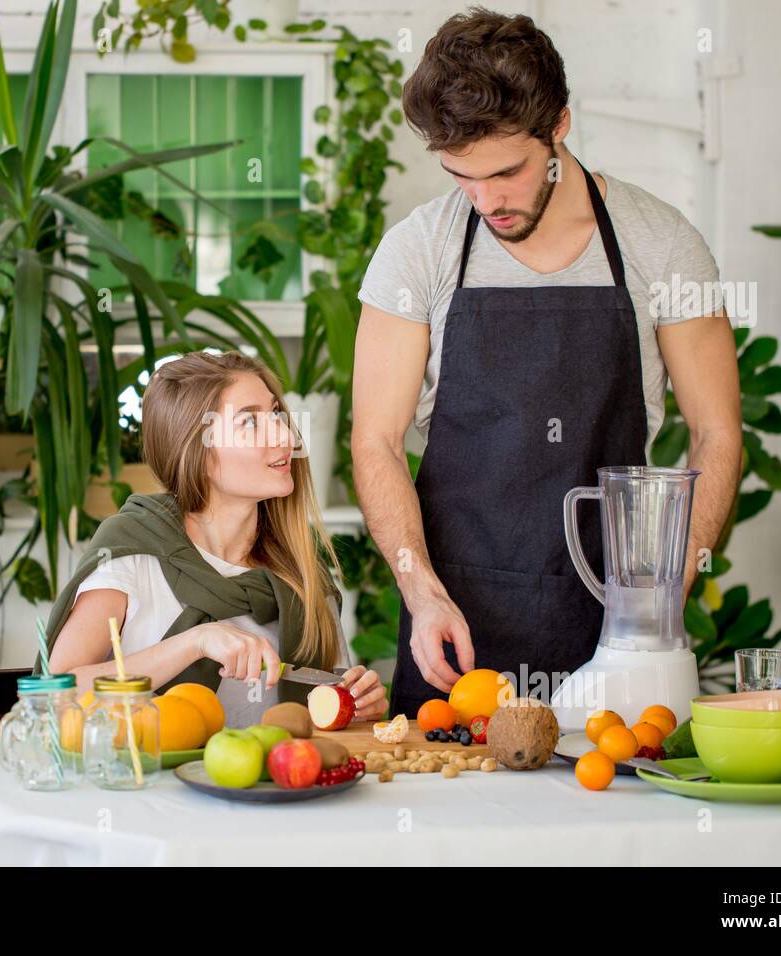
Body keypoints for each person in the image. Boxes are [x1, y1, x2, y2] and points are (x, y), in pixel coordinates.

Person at [350, 7, 742, 717]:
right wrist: (421, 591)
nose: (486, 201)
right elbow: (375, 441)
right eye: (462, 177)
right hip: (458, 637)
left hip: (612, 634)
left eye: (506, 172)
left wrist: (662, 594)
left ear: (559, 125)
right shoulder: (420, 251)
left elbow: (718, 434)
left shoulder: (661, 244)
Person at [43, 350, 387, 727]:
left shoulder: (301, 570)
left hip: (271, 785)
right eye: (250, 422)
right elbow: (56, 694)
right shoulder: (132, 550)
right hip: (146, 784)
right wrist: (194, 643)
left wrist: (357, 704)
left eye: (275, 414)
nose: (287, 435)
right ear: (196, 450)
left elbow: (329, 718)